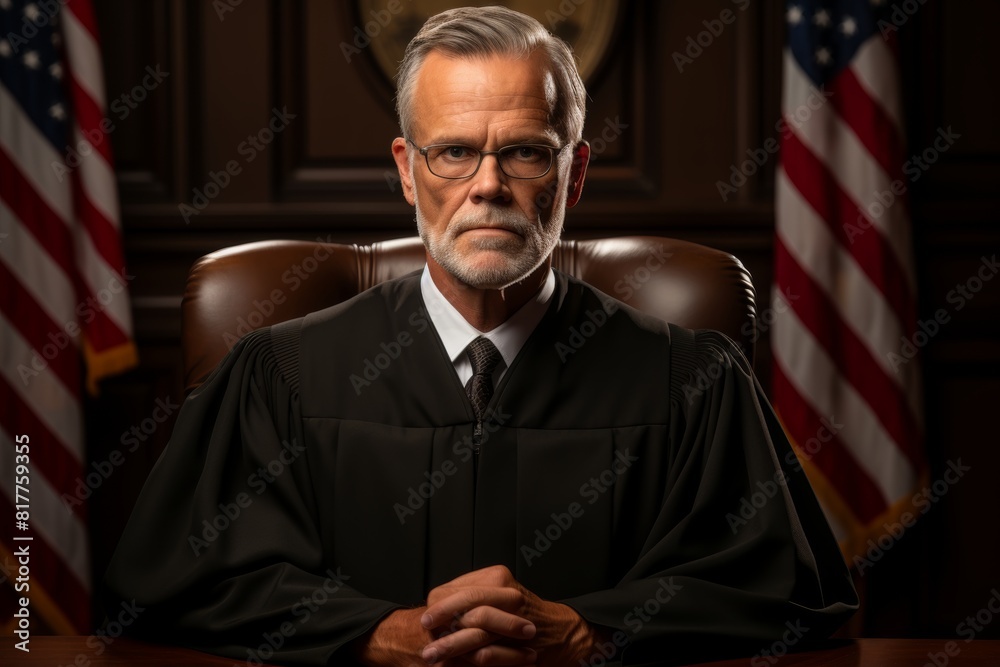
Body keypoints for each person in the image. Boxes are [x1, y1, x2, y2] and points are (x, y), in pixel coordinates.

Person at [105, 6, 857, 666]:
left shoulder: (690, 381)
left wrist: (590, 632)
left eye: (526, 151)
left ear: (575, 172)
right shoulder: (284, 375)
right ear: (408, 170)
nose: (488, 184)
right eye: (455, 151)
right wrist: (375, 634)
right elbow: (172, 582)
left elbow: (788, 593)